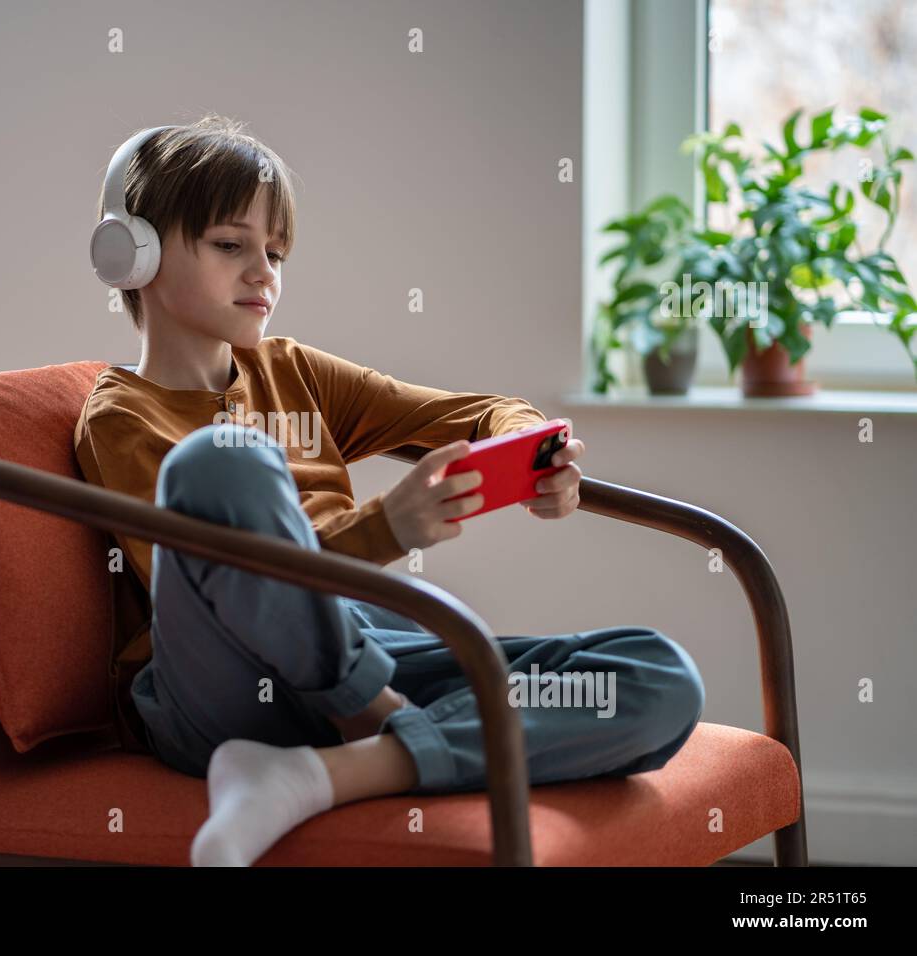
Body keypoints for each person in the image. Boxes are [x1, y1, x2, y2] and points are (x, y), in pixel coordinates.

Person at [74, 115, 705, 867]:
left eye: (275, 252)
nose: (263, 273)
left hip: (378, 650)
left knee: (657, 676)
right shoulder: (120, 417)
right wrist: (384, 531)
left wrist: (537, 450)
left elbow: (472, 412)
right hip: (227, 692)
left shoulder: (294, 371)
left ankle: (331, 772)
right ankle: (373, 718)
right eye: (230, 245)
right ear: (131, 253)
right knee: (223, 460)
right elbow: (224, 575)